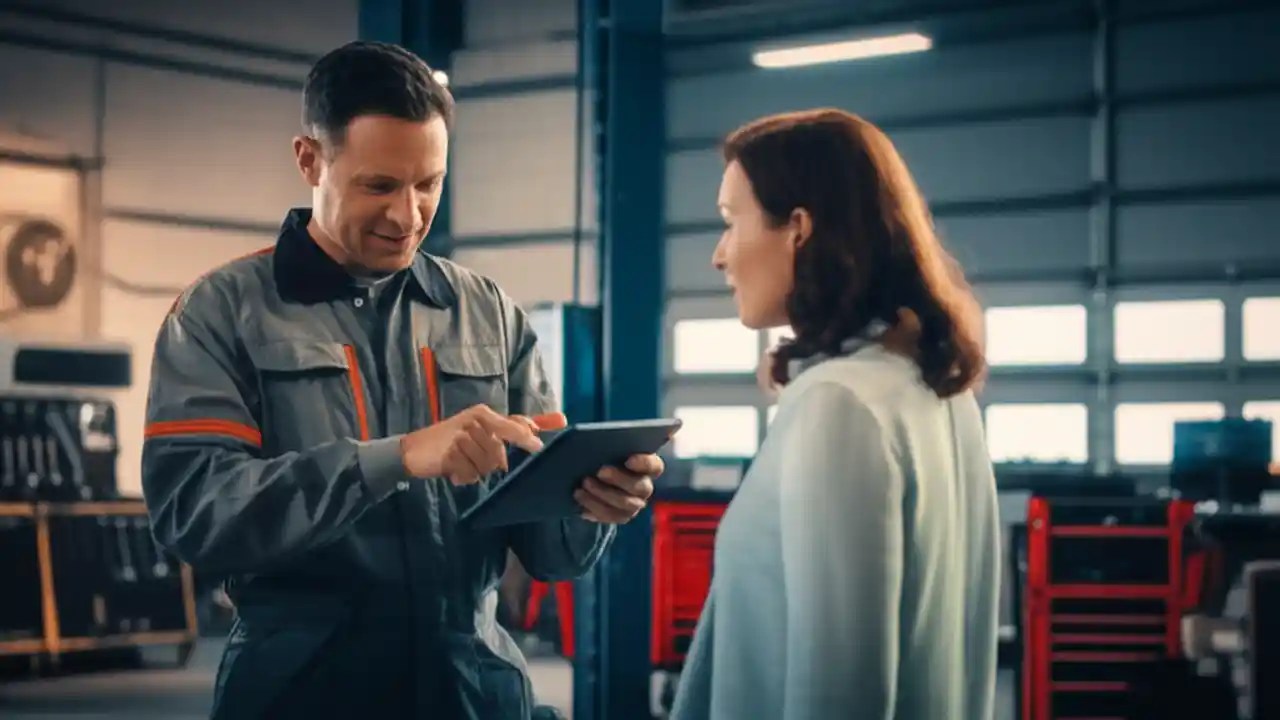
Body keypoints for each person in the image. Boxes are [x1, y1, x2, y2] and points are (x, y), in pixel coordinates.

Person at [141, 41, 663, 719]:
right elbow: (194, 513)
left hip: (474, 692)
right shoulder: (221, 313)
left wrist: (592, 505)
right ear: (309, 159)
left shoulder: (486, 312)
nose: (408, 216)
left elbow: (549, 554)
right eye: (380, 186)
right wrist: (396, 458)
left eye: (428, 184)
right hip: (303, 694)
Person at [670, 108, 1000, 720]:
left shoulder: (838, 405)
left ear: (798, 228)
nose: (719, 255)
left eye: (731, 222)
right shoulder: (936, 391)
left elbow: (841, 690)